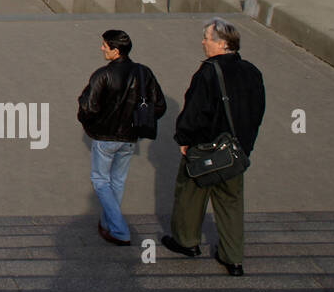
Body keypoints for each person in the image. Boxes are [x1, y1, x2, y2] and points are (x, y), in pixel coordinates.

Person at [162, 19, 266, 276]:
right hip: (234, 151)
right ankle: (233, 259)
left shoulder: (208, 71)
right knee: (231, 202)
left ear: (222, 43)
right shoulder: (251, 71)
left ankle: (187, 242)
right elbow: (257, 112)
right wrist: (245, 146)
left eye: (207, 37)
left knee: (190, 194)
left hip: (204, 148)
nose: (203, 42)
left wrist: (184, 139)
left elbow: (195, 111)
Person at [77, 29, 167, 246]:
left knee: (100, 181)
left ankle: (119, 229)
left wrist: (89, 122)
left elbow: (88, 107)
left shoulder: (103, 75)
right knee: (117, 181)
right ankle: (107, 223)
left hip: (105, 137)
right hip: (129, 137)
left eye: (105, 46)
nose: (102, 48)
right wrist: (137, 121)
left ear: (115, 51)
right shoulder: (144, 73)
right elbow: (159, 105)